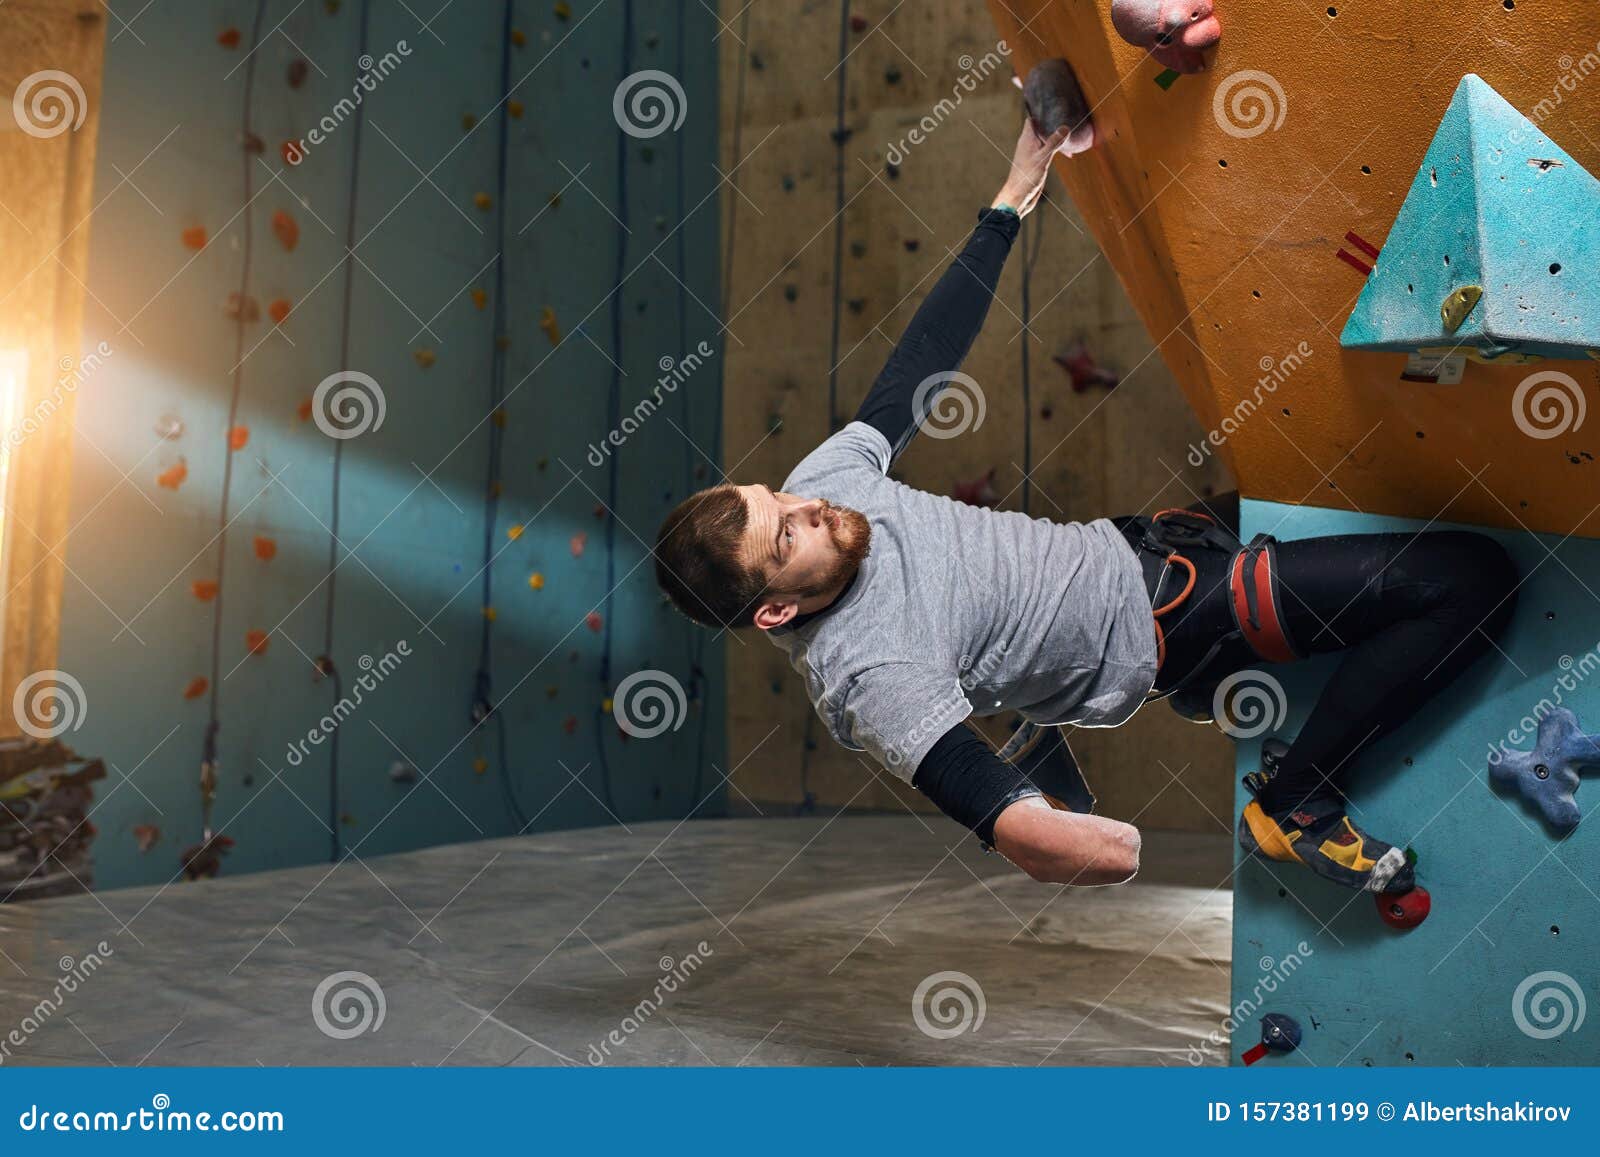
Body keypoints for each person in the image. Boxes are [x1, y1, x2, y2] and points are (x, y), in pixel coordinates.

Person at [653, 116, 1518, 893]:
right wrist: (1058, 833)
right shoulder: (865, 674)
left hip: (1145, 543)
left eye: (782, 494)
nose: (808, 505)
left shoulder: (827, 488)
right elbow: (984, 802)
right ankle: (1295, 805)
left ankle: (1065, 720)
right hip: (1168, 623)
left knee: (1323, 479)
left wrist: (1010, 198)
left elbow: (919, 367)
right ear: (774, 609)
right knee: (1467, 579)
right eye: (786, 532)